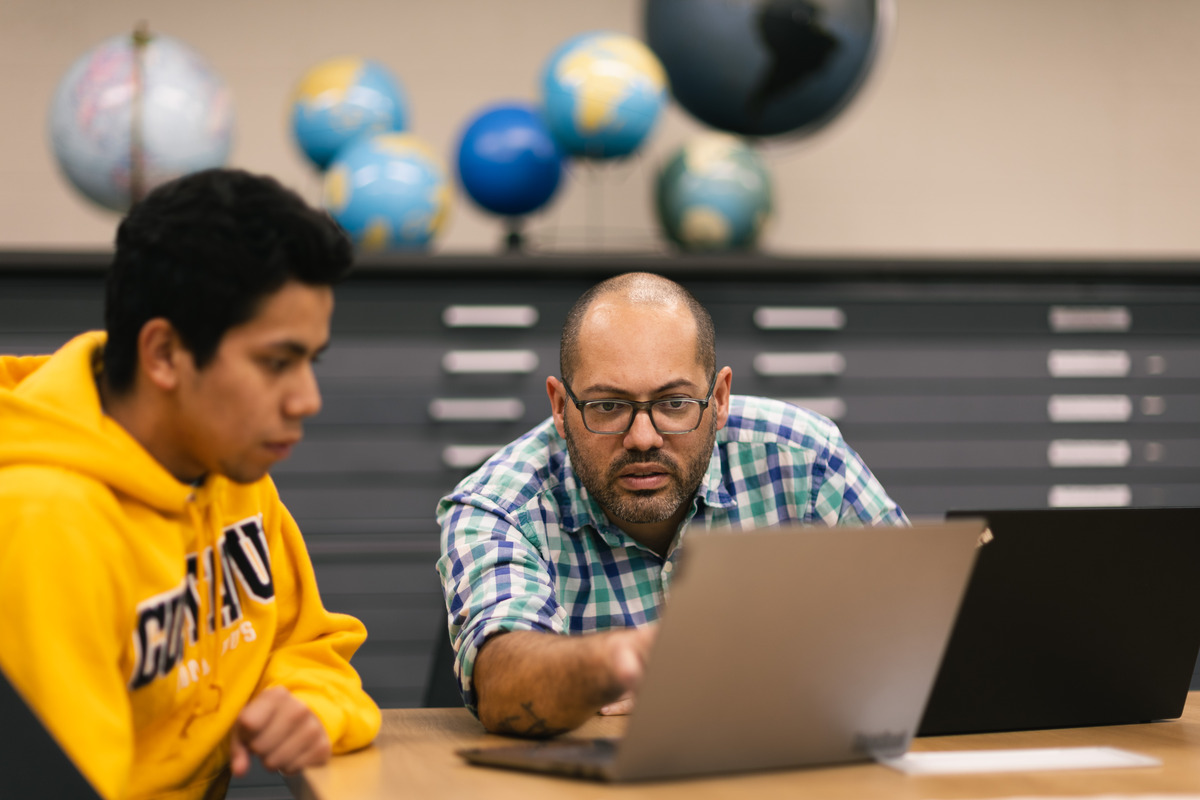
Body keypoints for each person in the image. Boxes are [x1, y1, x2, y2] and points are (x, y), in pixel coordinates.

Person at [0, 168, 381, 800]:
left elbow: (307, 642)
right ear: (164, 355)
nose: (307, 400)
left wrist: (308, 704)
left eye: (310, 362)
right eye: (276, 363)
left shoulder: (228, 462)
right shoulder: (43, 519)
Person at [437, 271, 907, 737]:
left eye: (674, 402)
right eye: (607, 406)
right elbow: (500, 685)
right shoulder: (498, 508)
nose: (643, 437)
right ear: (561, 407)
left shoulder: (805, 459)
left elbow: (926, 622)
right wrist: (627, 660)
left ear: (719, 399)